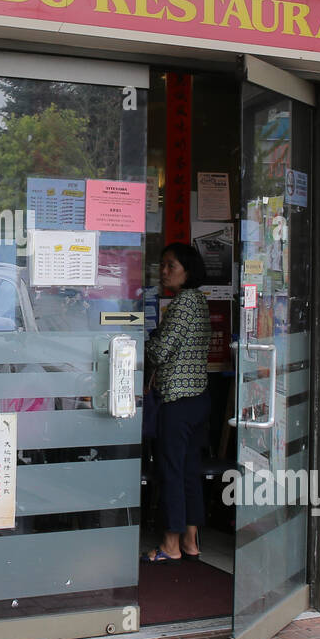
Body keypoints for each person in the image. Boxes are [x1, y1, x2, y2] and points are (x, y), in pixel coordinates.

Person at [142, 242, 211, 564]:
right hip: (197, 399)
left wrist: (149, 339)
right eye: (163, 264)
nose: (164, 271)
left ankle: (170, 545)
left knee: (170, 472)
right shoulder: (199, 302)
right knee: (189, 472)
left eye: (171, 266)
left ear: (187, 271)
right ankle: (191, 542)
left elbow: (160, 352)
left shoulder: (183, 304)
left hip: (177, 401)